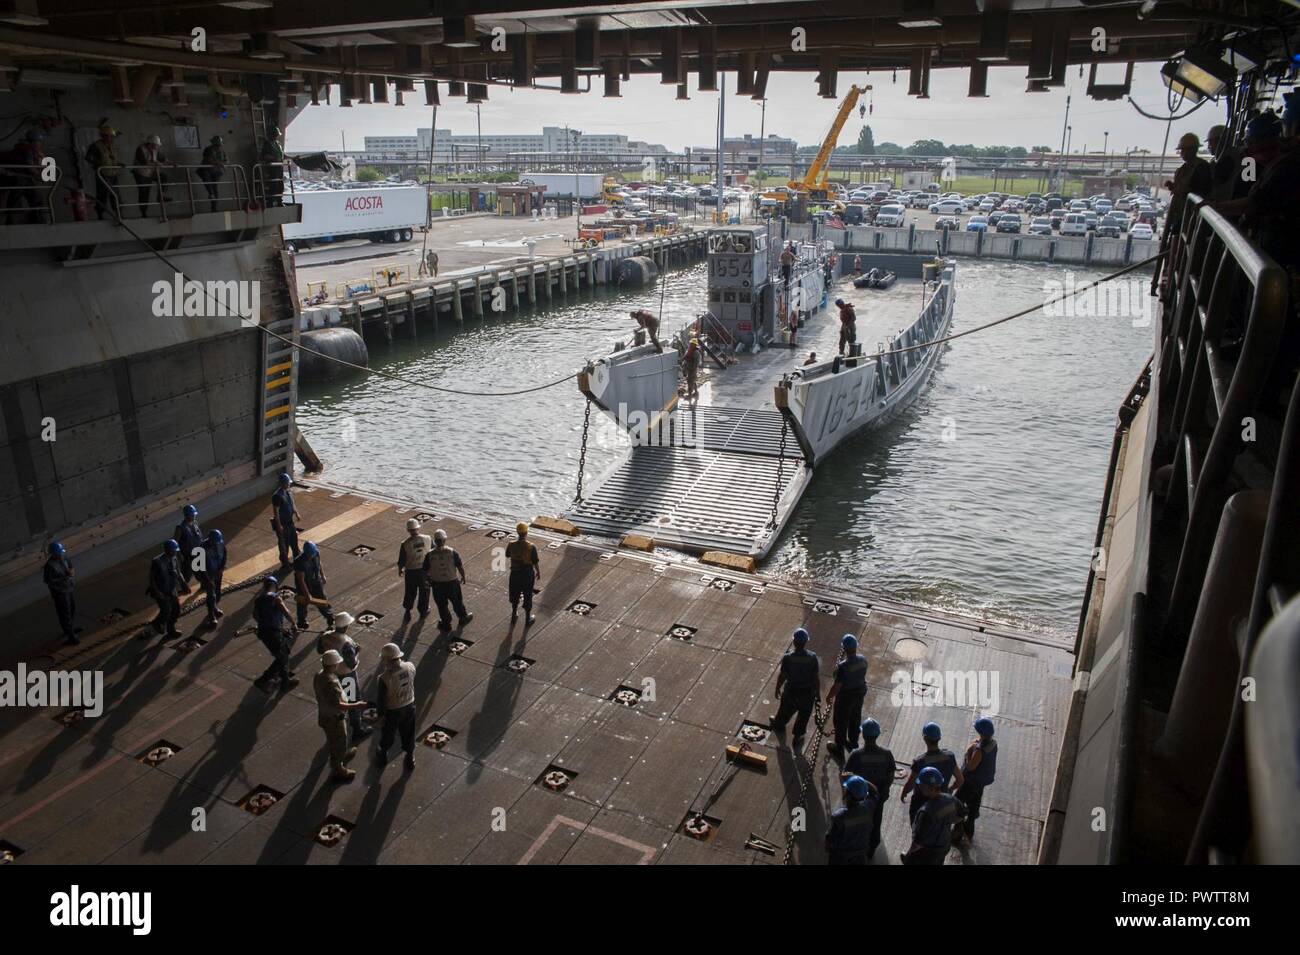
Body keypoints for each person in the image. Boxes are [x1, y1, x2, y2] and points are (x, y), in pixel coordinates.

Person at [844, 717, 896, 858]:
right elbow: (891, 775)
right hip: (879, 795)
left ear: (863, 735)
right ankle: (872, 846)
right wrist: (884, 790)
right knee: (876, 818)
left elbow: (846, 774)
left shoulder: (856, 755)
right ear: (878, 735)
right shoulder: (887, 754)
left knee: (854, 818)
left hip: (859, 795)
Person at [315, 648, 368, 783]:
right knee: (338, 741)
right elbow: (339, 705)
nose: (338, 665)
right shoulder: (331, 682)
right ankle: (339, 769)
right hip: (334, 718)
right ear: (333, 665)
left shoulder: (319, 675)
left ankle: (342, 754)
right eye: (337, 663)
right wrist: (357, 705)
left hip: (325, 714)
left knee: (337, 740)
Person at [317, 612, 369, 740]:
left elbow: (320, 650)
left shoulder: (325, 636)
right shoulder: (345, 642)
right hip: (347, 676)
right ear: (346, 626)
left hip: (332, 673)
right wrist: (357, 652)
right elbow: (351, 664)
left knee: (338, 698)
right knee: (352, 700)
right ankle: (357, 729)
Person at [901, 766, 966, 865]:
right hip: (943, 845)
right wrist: (946, 822)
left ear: (929, 787)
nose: (920, 787)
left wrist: (909, 855)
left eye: (922, 785)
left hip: (927, 851)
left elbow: (918, 842)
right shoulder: (951, 799)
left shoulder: (926, 811)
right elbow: (961, 815)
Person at [900, 721, 964, 823]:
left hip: (921, 802)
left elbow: (911, 783)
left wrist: (904, 792)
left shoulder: (919, 761)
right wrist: (950, 789)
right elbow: (960, 780)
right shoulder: (949, 757)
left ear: (925, 738)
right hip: (941, 801)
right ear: (939, 738)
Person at [768, 627, 820, 752]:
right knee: (803, 716)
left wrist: (777, 688)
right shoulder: (813, 657)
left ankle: (779, 724)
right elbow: (815, 677)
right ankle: (797, 737)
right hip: (807, 693)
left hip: (791, 691)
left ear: (794, 642)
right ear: (806, 642)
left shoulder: (788, 658)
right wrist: (817, 693)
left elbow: (783, 675)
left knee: (784, 711)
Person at [953, 717, 997, 843]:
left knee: (959, 802)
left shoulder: (979, 750)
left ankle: (957, 832)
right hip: (982, 781)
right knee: (975, 802)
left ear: (981, 733)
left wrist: (968, 753)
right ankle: (969, 829)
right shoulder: (993, 743)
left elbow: (971, 766)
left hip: (971, 782)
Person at [824, 633, 868, 758]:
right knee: (855, 718)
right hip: (859, 694)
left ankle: (839, 748)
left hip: (846, 697)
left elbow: (837, 685)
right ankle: (853, 742)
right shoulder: (863, 659)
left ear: (844, 648)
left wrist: (829, 696)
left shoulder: (843, 666)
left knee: (840, 722)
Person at [252, 577, 299, 693]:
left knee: (283, 653)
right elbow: (285, 612)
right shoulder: (275, 597)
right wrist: (294, 623)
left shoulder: (258, 600)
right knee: (282, 656)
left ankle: (285, 681)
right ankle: (265, 679)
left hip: (264, 632)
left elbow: (255, 616)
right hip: (273, 632)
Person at [375, 643, 417, 770]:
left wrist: (380, 715)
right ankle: (409, 757)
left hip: (393, 710)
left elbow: (381, 700)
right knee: (409, 733)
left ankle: (383, 754)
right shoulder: (410, 666)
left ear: (386, 659)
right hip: (409, 705)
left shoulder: (384, 678)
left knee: (388, 733)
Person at [1163, 132, 1213, 238]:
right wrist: (1173, 186)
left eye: (1188, 150)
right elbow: (1179, 189)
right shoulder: (1182, 169)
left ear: (1195, 150)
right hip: (1180, 213)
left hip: (1192, 216)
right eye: (1182, 150)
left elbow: (1203, 192)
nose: (1184, 153)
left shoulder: (1202, 168)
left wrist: (1186, 190)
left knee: (1182, 240)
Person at [425, 527, 473, 632]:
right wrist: (463, 577)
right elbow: (460, 566)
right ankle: (462, 617)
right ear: (444, 540)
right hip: (452, 582)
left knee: (441, 605)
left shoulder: (429, 554)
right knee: (457, 601)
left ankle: (446, 624)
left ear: (434, 541)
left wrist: (429, 581)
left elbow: (425, 570)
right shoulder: (452, 552)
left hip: (437, 584)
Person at [825, 775, 876, 865]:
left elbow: (830, 841)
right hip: (860, 857)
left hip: (841, 858)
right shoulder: (869, 807)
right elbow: (874, 791)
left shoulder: (839, 816)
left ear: (847, 795)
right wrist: (860, 781)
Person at [146, 539, 184, 640]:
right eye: (173, 551)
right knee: (166, 610)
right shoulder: (157, 561)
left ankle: (171, 629)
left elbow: (178, 572)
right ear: (167, 550)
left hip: (171, 589)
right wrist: (157, 592)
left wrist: (184, 584)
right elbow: (152, 579)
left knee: (176, 610)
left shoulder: (174, 558)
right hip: (161, 591)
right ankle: (157, 623)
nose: (175, 552)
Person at [505, 521, 541, 626]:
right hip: (527, 574)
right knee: (527, 594)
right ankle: (527, 618)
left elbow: (507, 555)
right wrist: (538, 572)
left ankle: (514, 614)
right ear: (526, 533)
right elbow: (535, 561)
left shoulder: (511, 544)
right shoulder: (531, 546)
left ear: (517, 532)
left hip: (515, 573)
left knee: (514, 593)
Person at [397, 518, 432, 622]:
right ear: (418, 528)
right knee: (424, 591)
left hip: (411, 572)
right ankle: (423, 611)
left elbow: (401, 560)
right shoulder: (428, 539)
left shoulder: (405, 544)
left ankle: (408, 610)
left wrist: (400, 570)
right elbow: (433, 552)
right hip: (424, 571)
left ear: (408, 530)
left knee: (410, 591)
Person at [293, 540, 334, 630]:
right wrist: (307, 595)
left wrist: (322, 575)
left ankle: (330, 618)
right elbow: (301, 580)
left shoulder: (316, 553)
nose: (311, 556)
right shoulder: (299, 561)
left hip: (316, 582)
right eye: (309, 555)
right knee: (302, 605)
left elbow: (319, 564)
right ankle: (301, 622)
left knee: (322, 601)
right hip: (304, 585)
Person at [43, 541, 78, 645]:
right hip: (60, 593)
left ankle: (70, 628)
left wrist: (71, 572)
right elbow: (49, 581)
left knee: (72, 608)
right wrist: (63, 578)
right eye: (58, 553)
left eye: (60, 553)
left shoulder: (64, 557)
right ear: (53, 554)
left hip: (68, 588)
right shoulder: (49, 566)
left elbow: (71, 567)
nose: (60, 555)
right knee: (64, 613)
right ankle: (70, 635)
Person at [84, 124, 121, 220]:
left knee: (116, 194)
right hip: (103, 174)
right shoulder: (96, 146)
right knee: (102, 194)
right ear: (103, 136)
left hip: (113, 173)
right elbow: (88, 157)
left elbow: (113, 158)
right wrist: (98, 164)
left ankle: (118, 213)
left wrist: (119, 164)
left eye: (111, 136)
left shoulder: (113, 146)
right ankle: (100, 214)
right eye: (108, 136)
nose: (110, 138)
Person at [132, 133, 169, 217]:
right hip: (141, 174)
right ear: (151, 144)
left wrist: (173, 163)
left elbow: (163, 158)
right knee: (144, 193)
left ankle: (161, 195)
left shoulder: (155, 150)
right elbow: (144, 162)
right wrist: (157, 164)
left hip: (150, 172)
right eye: (156, 145)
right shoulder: (140, 149)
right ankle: (143, 213)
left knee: (163, 177)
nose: (157, 147)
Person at [196, 529, 227, 627]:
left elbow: (224, 554)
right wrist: (206, 580)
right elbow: (199, 567)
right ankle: (211, 615)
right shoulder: (201, 549)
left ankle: (215, 607)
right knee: (211, 595)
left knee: (217, 593)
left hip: (217, 572)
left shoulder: (220, 543)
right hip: (207, 575)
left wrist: (222, 567)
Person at [270, 472, 300, 566]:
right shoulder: (277, 496)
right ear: (283, 483)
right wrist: (279, 526)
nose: (289, 484)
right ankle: (285, 563)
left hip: (290, 522)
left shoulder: (288, 492)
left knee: (294, 541)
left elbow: (292, 503)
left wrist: (296, 513)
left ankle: (297, 558)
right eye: (288, 483)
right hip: (283, 524)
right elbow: (276, 512)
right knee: (284, 544)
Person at [173, 503, 203, 591]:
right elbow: (175, 543)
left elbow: (199, 536)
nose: (194, 516)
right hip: (188, 555)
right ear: (187, 515)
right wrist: (179, 555)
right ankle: (181, 588)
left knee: (201, 572)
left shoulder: (195, 523)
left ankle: (204, 584)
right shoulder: (180, 528)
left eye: (194, 515)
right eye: (192, 515)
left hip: (198, 552)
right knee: (186, 573)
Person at [199, 135, 227, 212]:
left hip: (215, 171)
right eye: (217, 145)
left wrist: (222, 164)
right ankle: (211, 195)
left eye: (219, 145)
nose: (218, 146)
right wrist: (219, 164)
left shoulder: (221, 151)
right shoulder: (208, 149)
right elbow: (208, 160)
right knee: (210, 184)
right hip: (206, 170)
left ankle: (214, 207)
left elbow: (226, 160)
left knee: (214, 188)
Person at [259, 126, 286, 207]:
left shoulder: (278, 144)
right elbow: (264, 156)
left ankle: (279, 200)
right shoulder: (267, 144)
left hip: (279, 167)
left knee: (280, 185)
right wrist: (274, 158)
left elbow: (282, 155)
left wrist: (292, 157)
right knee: (273, 185)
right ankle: (270, 201)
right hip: (272, 168)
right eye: (275, 134)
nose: (276, 136)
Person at [682, 337, 702, 402]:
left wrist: (693, 370)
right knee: (692, 381)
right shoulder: (689, 351)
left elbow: (696, 363)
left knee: (690, 382)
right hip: (689, 368)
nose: (690, 344)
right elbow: (685, 360)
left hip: (693, 369)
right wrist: (684, 369)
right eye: (690, 343)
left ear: (694, 345)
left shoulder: (696, 353)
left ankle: (690, 395)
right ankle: (696, 393)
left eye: (692, 344)